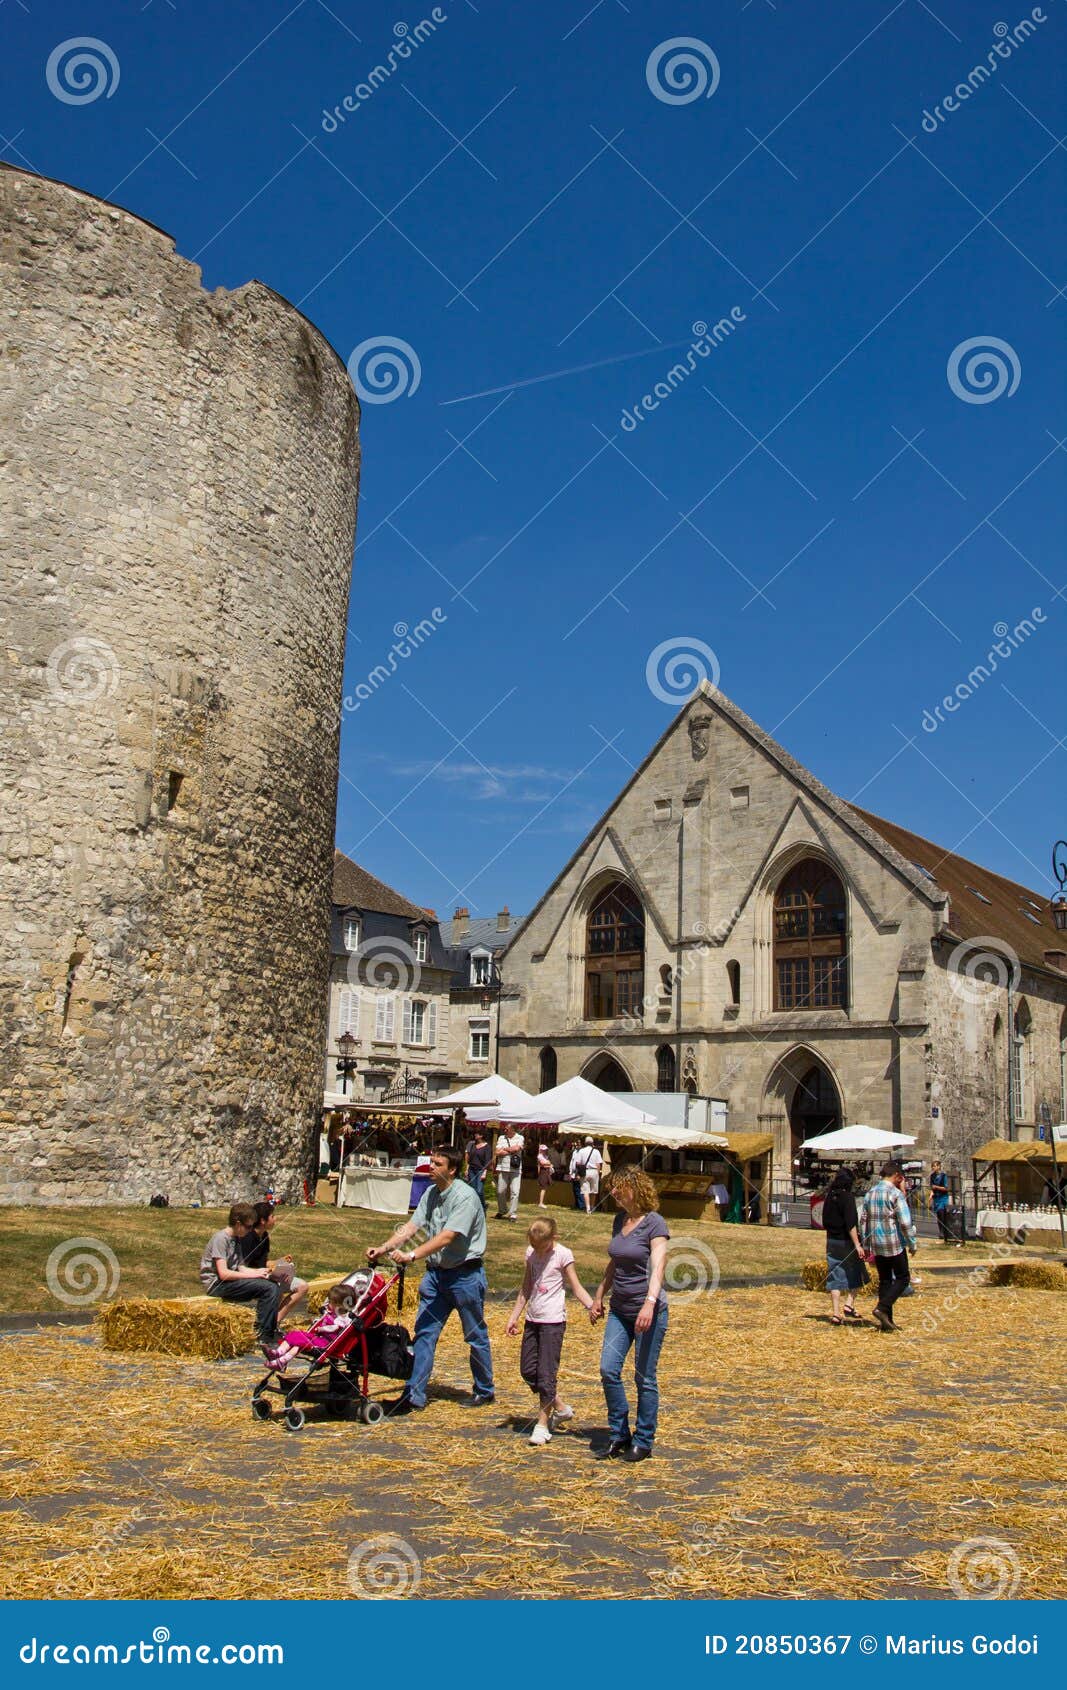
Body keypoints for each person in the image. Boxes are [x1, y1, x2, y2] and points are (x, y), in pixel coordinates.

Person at [367, 1145, 494, 1413]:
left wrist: (412, 1255)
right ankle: (414, 1395)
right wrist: (384, 1248)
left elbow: (448, 1237)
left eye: (437, 1164)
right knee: (424, 1333)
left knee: (474, 1336)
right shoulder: (431, 1193)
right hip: (436, 1277)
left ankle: (484, 1389)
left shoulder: (465, 1198)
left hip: (465, 1276)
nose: (431, 1168)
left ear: (452, 1170)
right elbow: (412, 1227)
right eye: (431, 1162)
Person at [590, 1168, 669, 1463]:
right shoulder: (619, 1220)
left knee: (644, 1377)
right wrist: (599, 1295)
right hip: (619, 1310)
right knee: (608, 1369)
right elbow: (615, 1263)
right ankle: (618, 1433)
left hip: (648, 1310)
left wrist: (649, 1303)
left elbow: (659, 1265)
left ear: (635, 1188)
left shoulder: (654, 1223)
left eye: (619, 1188)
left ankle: (644, 1439)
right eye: (612, 1188)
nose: (614, 1193)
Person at [506, 1216, 595, 1445]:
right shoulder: (531, 1253)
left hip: (553, 1321)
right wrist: (514, 1316)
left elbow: (575, 1285)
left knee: (546, 1374)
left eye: (541, 1246)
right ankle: (561, 1408)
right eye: (533, 1246)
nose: (537, 1250)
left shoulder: (563, 1255)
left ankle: (542, 1425)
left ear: (553, 1238)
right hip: (532, 1319)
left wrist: (591, 1306)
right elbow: (526, 1286)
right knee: (528, 1370)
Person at [199, 1203, 283, 1346]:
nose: (250, 1230)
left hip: (228, 1282)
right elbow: (223, 1273)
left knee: (273, 1285)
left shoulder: (236, 1239)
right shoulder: (221, 1239)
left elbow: (241, 1267)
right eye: (248, 1226)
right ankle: (262, 1334)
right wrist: (254, 1276)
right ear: (238, 1224)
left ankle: (268, 1331)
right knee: (269, 1289)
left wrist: (261, 1272)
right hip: (217, 1284)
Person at [859, 1159, 918, 1333]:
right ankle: (882, 1307)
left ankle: (887, 1321)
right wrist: (912, 1243)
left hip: (876, 1243)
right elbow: (905, 1222)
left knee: (885, 1280)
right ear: (898, 1177)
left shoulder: (870, 1193)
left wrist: (866, 1243)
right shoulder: (895, 1194)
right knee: (903, 1278)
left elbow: (863, 1220)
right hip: (893, 1242)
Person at [240, 1200, 309, 1324]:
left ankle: (274, 1322)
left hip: (265, 1274)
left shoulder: (264, 1236)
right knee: (276, 1286)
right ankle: (267, 1323)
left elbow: (263, 1262)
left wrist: (281, 1262)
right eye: (272, 1216)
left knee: (302, 1286)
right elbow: (243, 1266)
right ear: (262, 1220)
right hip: (250, 1276)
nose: (275, 1219)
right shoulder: (247, 1238)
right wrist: (270, 1269)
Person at [263, 1285, 353, 1373]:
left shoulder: (342, 1318)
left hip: (326, 1343)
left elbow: (333, 1328)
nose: (328, 1304)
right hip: (318, 1337)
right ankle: (277, 1353)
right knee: (295, 1334)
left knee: (300, 1343)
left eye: (331, 1302)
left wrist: (322, 1329)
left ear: (339, 1305)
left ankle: (282, 1361)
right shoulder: (331, 1312)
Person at [821, 1169, 864, 1324]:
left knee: (834, 1274)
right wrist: (858, 1244)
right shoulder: (848, 1198)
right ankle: (849, 1303)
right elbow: (851, 1224)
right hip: (846, 1241)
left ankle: (836, 1313)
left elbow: (824, 1220)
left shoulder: (829, 1197)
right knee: (858, 1272)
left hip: (832, 1239)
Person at [493, 1124, 525, 1221]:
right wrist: (511, 1150)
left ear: (513, 1130)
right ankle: (502, 1210)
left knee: (515, 1191)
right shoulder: (501, 1137)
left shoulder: (520, 1137)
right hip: (503, 1167)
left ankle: (513, 1214)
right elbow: (497, 1152)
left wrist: (505, 1149)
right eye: (505, 1129)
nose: (505, 1130)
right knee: (500, 1191)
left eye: (507, 1129)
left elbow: (517, 1149)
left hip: (516, 1169)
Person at [930, 1160, 957, 1245]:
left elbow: (946, 1188)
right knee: (938, 1215)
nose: (933, 1168)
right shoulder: (932, 1176)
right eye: (932, 1166)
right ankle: (940, 1231)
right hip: (936, 1198)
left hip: (943, 1197)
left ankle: (945, 1232)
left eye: (935, 1166)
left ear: (939, 1167)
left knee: (942, 1213)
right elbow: (932, 1187)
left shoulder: (943, 1176)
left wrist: (937, 1187)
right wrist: (931, 1194)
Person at [574, 1137, 603, 1214]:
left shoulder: (581, 1151)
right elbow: (598, 1164)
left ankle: (588, 1208)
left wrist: (578, 1172)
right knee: (593, 1191)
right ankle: (592, 1206)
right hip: (594, 1171)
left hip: (584, 1172)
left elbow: (577, 1163)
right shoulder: (596, 1152)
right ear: (592, 1143)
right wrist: (598, 1174)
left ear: (585, 1143)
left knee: (585, 1191)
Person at [465, 1128, 491, 1207]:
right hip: (471, 1170)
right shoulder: (472, 1145)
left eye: (477, 1134)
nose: (475, 1135)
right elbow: (469, 1159)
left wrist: (484, 1173)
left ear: (481, 1136)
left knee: (479, 1190)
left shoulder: (487, 1147)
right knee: (473, 1189)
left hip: (480, 1170)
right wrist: (467, 1169)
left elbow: (487, 1161)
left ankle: (483, 1205)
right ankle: (476, 1206)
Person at [536, 1141, 554, 1208]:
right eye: (543, 1150)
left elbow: (548, 1163)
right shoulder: (540, 1156)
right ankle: (540, 1203)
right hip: (543, 1172)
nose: (545, 1151)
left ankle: (541, 1202)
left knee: (545, 1187)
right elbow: (543, 1164)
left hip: (546, 1172)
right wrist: (549, 1164)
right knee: (543, 1188)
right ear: (541, 1150)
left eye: (545, 1150)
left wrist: (548, 1164)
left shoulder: (545, 1156)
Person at [568, 1144, 585, 1211]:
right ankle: (577, 1204)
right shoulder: (574, 1152)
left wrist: (578, 1174)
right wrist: (570, 1172)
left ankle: (581, 1206)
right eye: (577, 1144)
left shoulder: (583, 1152)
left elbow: (580, 1164)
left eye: (579, 1144)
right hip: (573, 1173)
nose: (577, 1145)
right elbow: (572, 1162)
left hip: (579, 1173)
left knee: (579, 1190)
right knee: (575, 1190)